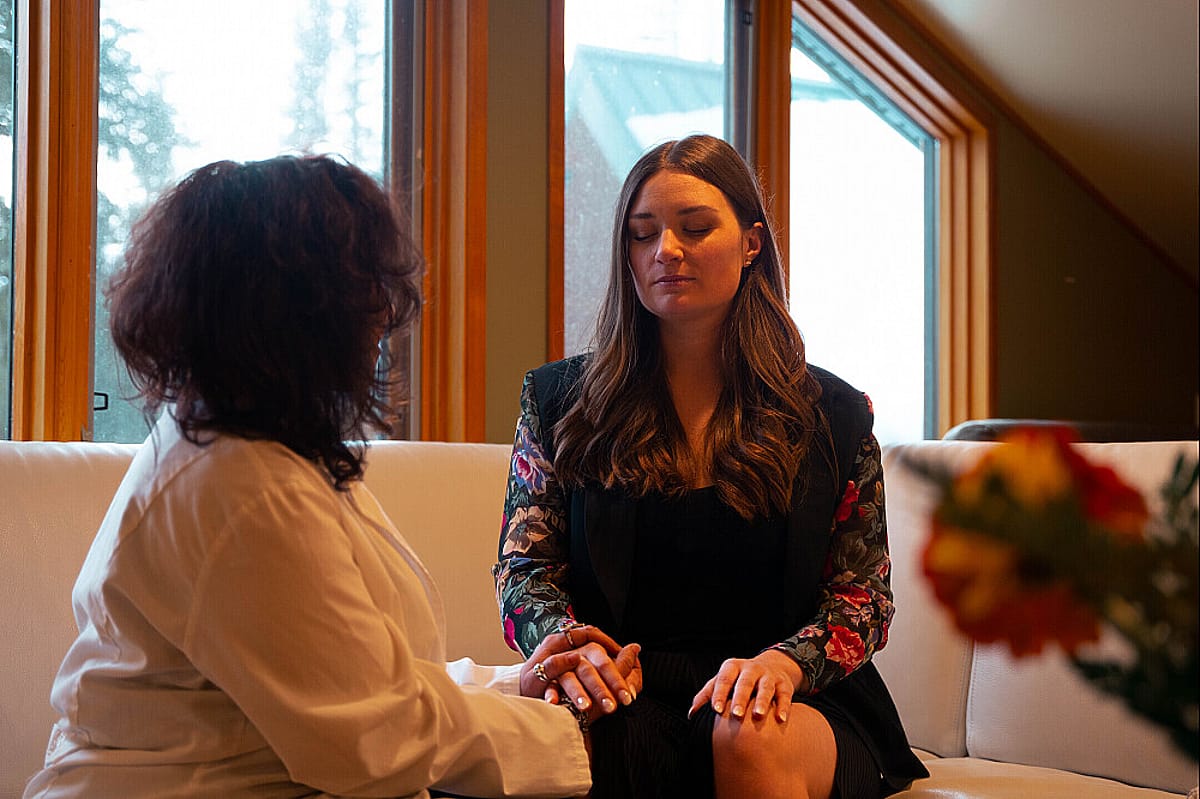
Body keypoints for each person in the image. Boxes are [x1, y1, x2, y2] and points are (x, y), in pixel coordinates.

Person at [24, 155, 640, 799]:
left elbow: (359, 677)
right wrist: (567, 736)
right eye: (365, 294)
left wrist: (517, 685)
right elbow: (374, 738)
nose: (381, 324)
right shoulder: (238, 489)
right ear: (301, 313)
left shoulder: (259, 449)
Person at [493, 134, 929, 799]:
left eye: (694, 228)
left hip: (792, 697)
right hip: (624, 691)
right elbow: (524, 571)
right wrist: (565, 643)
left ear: (752, 242)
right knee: (569, 729)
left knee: (744, 730)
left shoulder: (836, 413)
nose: (665, 250)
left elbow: (863, 598)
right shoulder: (556, 401)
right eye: (643, 235)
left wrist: (788, 663)